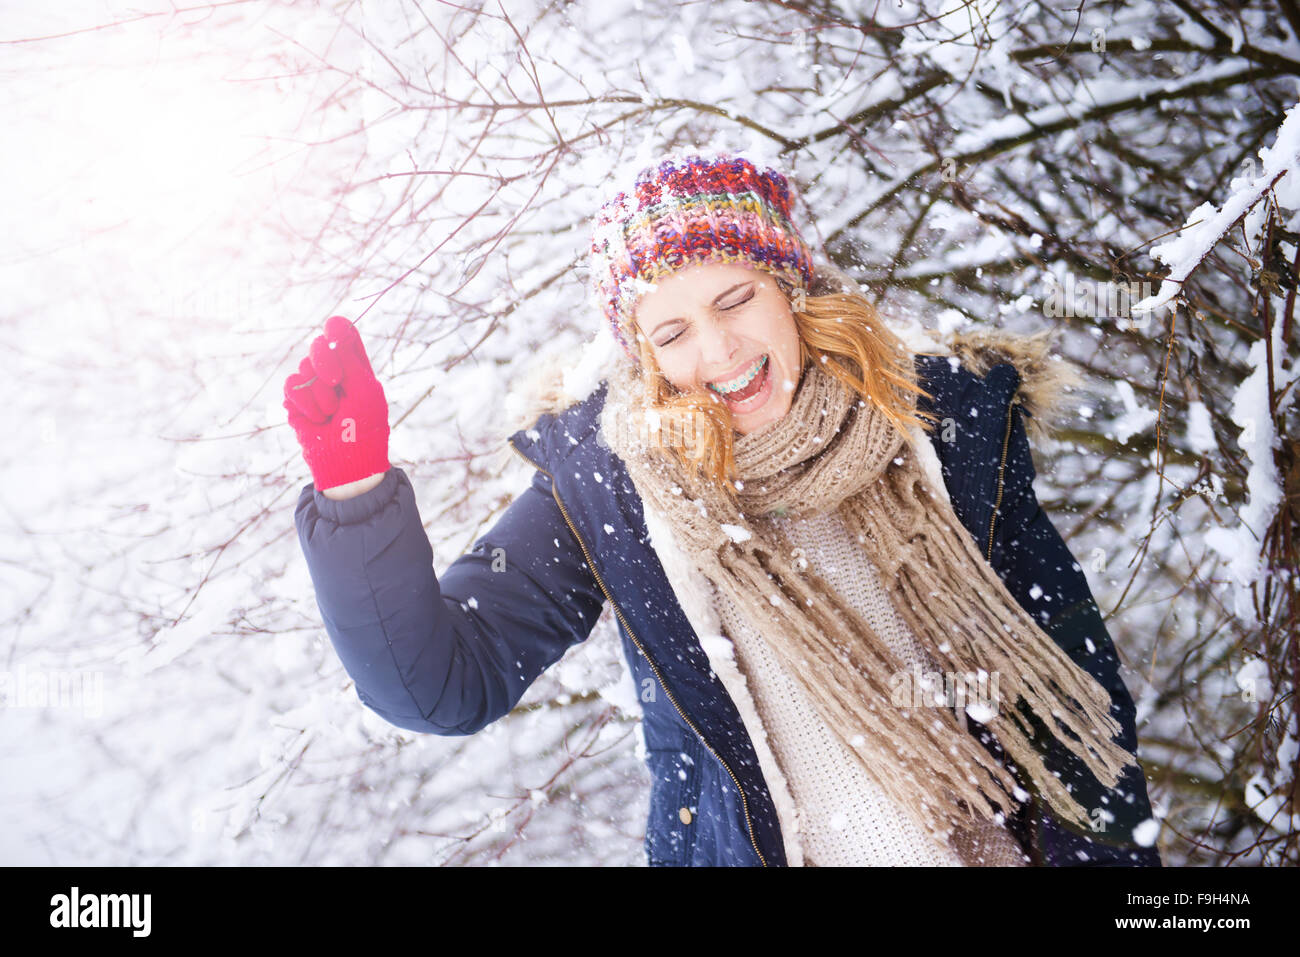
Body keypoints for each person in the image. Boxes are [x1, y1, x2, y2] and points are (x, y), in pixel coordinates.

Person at [284, 151, 1162, 867]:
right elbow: (443, 683)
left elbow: (1071, 685)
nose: (718, 350)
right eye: (671, 333)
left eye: (735, 299)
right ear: (644, 353)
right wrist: (356, 493)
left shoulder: (943, 427)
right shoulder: (615, 487)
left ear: (791, 285)